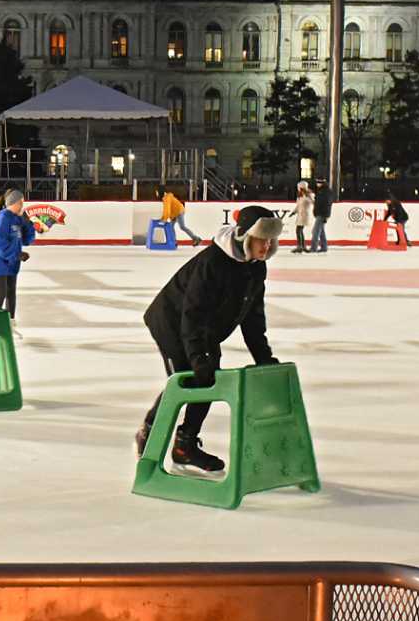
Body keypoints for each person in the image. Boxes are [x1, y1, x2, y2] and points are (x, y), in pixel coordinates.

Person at [135, 205, 283, 476]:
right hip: (171, 322)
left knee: (208, 377)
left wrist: (263, 357)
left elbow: (253, 317)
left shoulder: (255, 268)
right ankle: (150, 431)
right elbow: (192, 314)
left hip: (205, 329)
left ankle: (185, 447)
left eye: (271, 240)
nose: (267, 246)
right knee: (185, 378)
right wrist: (198, 357)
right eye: (263, 239)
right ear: (244, 236)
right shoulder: (213, 263)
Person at [0, 189, 35, 321]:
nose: (22, 206)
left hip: (11, 263)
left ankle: (10, 322)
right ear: (15, 202)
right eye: (21, 203)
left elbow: (26, 240)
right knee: (1, 294)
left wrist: (29, 224)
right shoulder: (3, 219)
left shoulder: (17, 219)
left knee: (11, 293)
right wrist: (17, 255)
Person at [311, 181, 335, 253]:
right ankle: (324, 247)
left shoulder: (326, 192)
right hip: (320, 213)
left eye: (318, 182)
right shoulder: (320, 191)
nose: (317, 184)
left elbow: (327, 204)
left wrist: (325, 216)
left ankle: (313, 248)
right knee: (321, 231)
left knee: (315, 231)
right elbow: (317, 203)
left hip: (322, 214)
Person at [293, 181, 314, 253]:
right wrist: (294, 212)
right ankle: (302, 246)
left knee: (298, 230)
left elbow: (312, 202)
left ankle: (301, 246)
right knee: (299, 230)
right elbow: (298, 205)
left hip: (305, 215)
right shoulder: (300, 195)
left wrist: (307, 196)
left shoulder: (309, 195)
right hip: (300, 215)